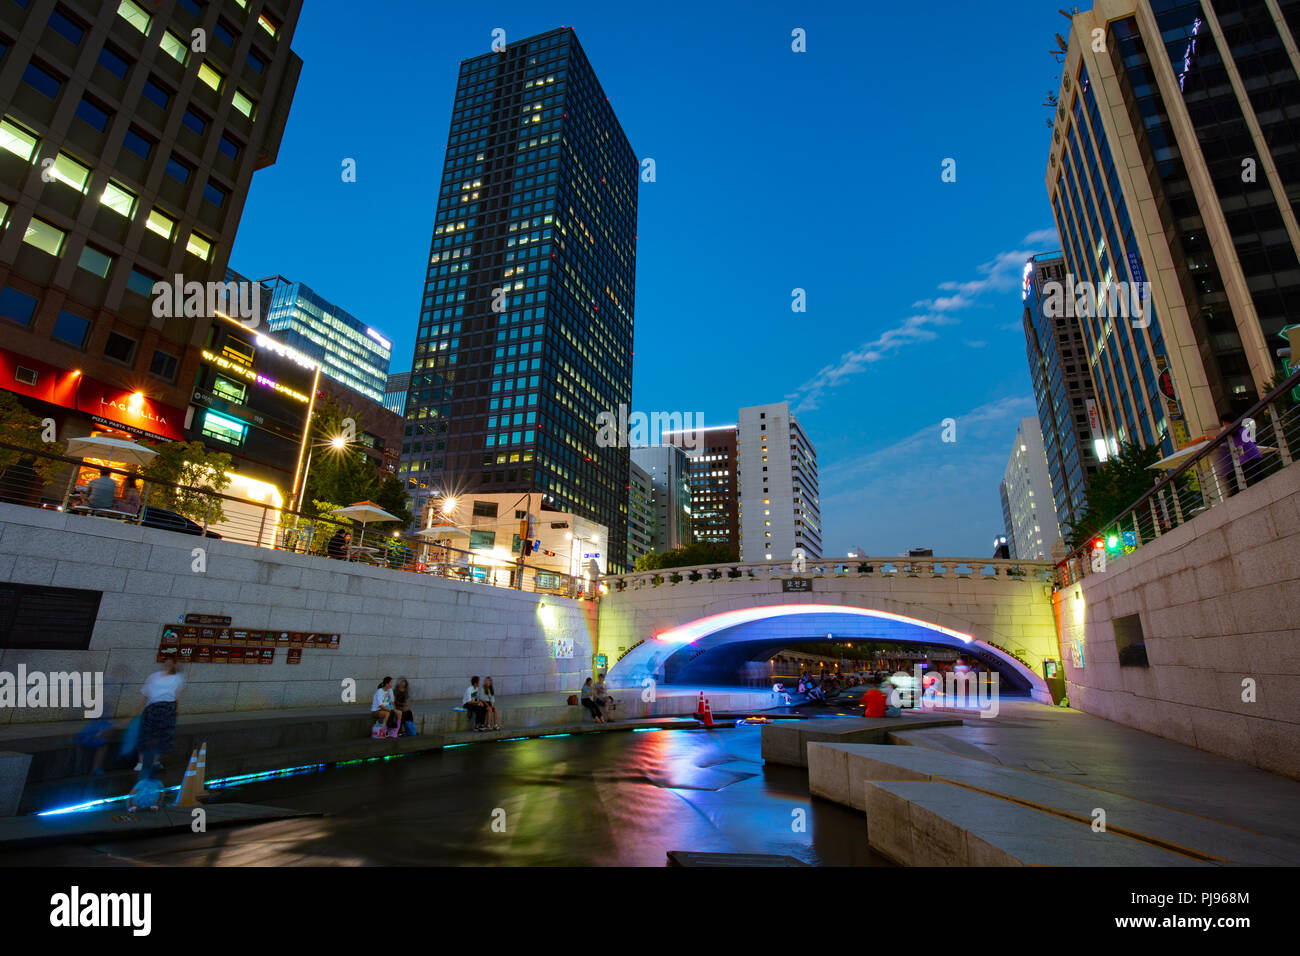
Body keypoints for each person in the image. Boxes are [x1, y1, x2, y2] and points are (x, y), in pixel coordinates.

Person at [135, 657, 184, 772]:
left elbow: (178, 694)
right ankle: (141, 762)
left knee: (162, 735)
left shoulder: (178, 678)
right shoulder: (154, 676)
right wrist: (140, 708)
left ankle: (155, 761)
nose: (168, 666)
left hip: (168, 707)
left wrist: (177, 707)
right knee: (146, 733)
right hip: (153, 706)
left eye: (171, 664)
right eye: (166, 664)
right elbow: (145, 692)